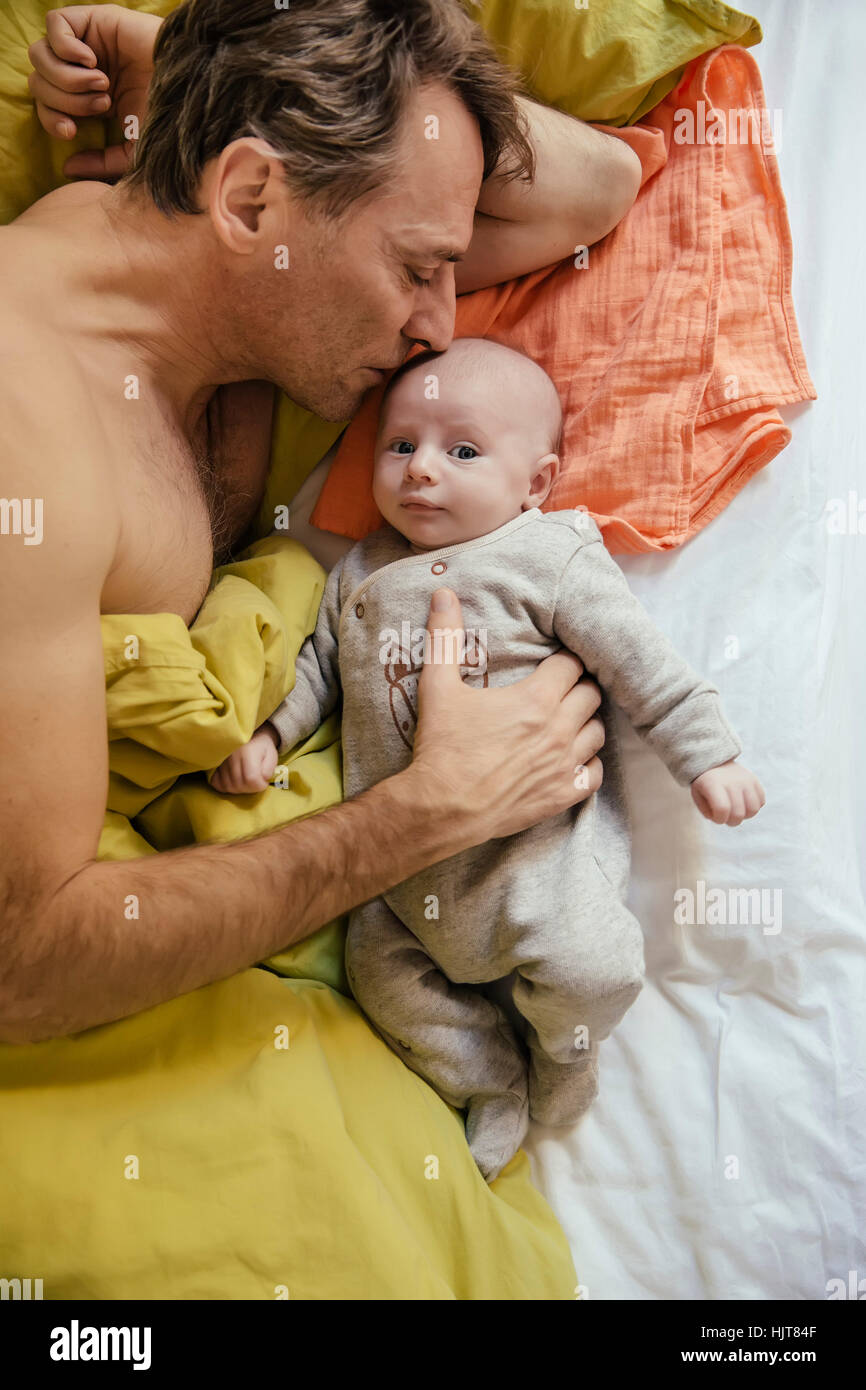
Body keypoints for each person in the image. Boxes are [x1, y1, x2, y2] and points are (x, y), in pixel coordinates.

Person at [0, 0, 642, 1044]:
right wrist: (427, 813)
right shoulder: (26, 434)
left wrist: (194, 72)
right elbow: (22, 963)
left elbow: (599, 187)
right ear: (250, 198)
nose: (438, 326)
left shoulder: (238, 275)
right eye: (417, 269)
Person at [213, 337, 766, 1181]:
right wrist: (270, 737)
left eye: (462, 451)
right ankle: (490, 1079)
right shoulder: (359, 571)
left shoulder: (548, 556)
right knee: (380, 980)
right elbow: (319, 670)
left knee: (595, 969)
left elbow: (640, 663)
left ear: (535, 483)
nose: (420, 468)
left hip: (537, 867)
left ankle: (563, 1053)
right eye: (400, 445)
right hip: (401, 880)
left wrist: (708, 757)